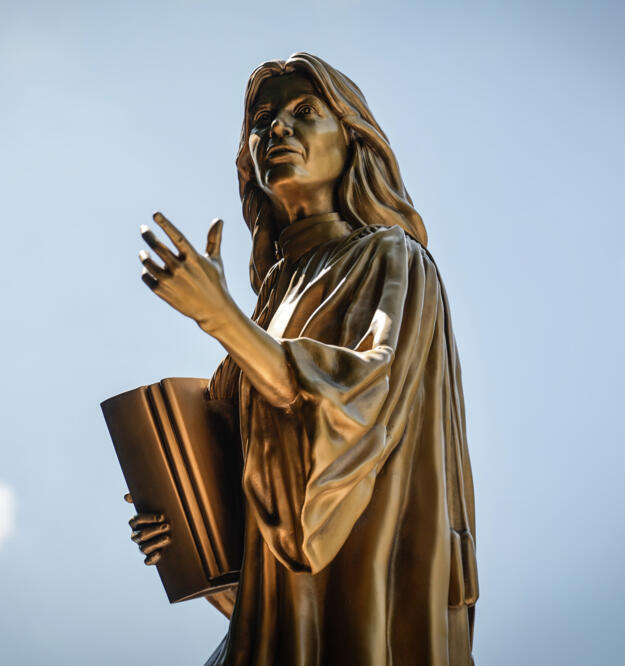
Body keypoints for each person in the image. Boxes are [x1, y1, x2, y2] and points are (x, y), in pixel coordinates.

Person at [126, 52, 478, 665]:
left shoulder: (392, 258)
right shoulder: (267, 310)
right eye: (261, 122)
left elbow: (353, 409)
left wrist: (221, 318)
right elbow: (271, 542)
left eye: (304, 111)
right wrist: (186, 531)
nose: (277, 129)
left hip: (367, 620)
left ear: (353, 141)